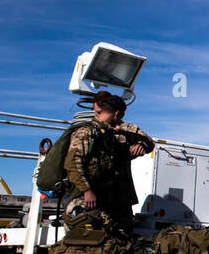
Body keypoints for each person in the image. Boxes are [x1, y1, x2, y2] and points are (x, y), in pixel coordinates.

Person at [63, 91, 153, 230]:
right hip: (89, 199)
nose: (97, 116)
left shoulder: (115, 135)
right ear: (117, 114)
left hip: (114, 199)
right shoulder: (87, 132)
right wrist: (87, 191)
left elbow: (148, 142)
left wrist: (139, 145)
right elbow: (73, 164)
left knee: (117, 242)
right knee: (87, 241)